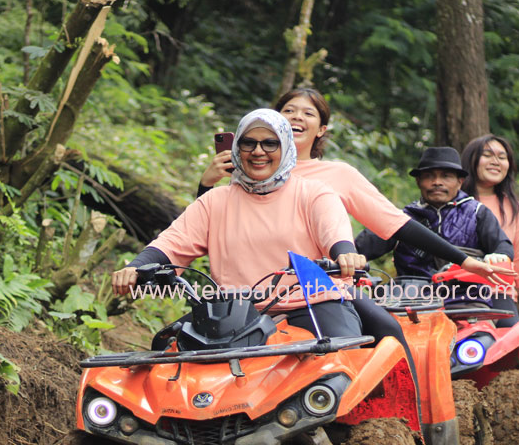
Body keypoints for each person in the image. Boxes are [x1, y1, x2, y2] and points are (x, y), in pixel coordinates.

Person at [197, 91, 501, 445]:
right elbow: (201, 228)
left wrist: (461, 258)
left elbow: (393, 223)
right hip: (245, 296)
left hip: (321, 288)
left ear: (322, 128)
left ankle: (408, 442)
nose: (296, 117)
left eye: (308, 113)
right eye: (287, 111)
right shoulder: (245, 171)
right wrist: (206, 183)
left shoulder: (334, 176)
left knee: (387, 336)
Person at [113, 108, 364, 341]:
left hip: (312, 303)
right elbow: (172, 243)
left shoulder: (314, 194)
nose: (258, 151)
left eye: (270, 143)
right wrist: (135, 269)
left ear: (286, 147)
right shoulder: (216, 200)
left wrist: (345, 255)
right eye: (248, 143)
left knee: (341, 354)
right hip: (234, 311)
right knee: (167, 347)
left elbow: (334, 233)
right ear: (237, 148)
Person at [356, 146, 517, 318]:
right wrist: (349, 257)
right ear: (418, 181)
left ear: (460, 181)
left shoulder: (478, 213)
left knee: (487, 339)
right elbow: (360, 247)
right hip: (409, 302)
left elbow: (503, 246)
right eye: (429, 176)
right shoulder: (401, 218)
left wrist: (498, 256)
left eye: (446, 176)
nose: (437, 182)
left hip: (466, 300)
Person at [460, 135, 519, 335]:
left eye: (502, 157)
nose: (496, 161)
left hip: (496, 298)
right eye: (487, 155)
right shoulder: (449, 205)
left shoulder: (518, 213)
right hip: (446, 295)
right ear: (472, 160)